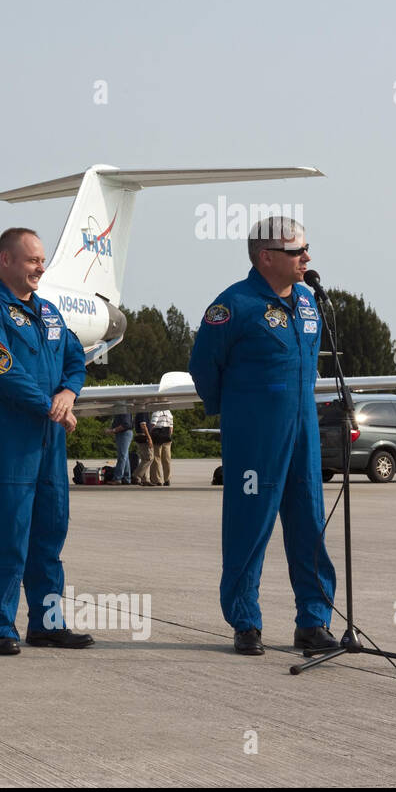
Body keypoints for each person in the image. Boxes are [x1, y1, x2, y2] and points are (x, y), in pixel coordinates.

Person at [188, 216, 338, 656]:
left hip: (303, 435)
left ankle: (314, 622)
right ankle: (245, 621)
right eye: (297, 252)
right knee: (249, 528)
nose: (306, 258)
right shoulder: (232, 305)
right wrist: (238, 412)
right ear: (266, 257)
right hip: (255, 435)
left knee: (310, 526)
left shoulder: (309, 302)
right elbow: (204, 367)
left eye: (307, 249)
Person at [0, 228, 94, 655]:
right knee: (9, 532)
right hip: (12, 439)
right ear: (5, 261)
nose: (41, 267)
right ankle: (0, 627)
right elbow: (2, 370)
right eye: (32, 260)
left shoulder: (51, 313)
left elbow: (76, 359)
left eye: (41, 261)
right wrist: (49, 405)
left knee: (49, 533)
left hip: (50, 439)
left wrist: (68, 393)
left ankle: (47, 623)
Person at [148, 408, 174, 486]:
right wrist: (169, 436)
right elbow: (171, 426)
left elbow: (153, 424)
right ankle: (167, 479)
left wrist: (149, 435)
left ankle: (157, 479)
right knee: (167, 459)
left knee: (156, 458)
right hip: (166, 436)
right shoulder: (169, 412)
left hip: (157, 436)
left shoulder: (156, 411)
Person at [106, 412, 132, 484]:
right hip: (122, 434)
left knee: (122, 456)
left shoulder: (124, 410)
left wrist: (112, 430)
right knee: (125, 457)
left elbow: (126, 424)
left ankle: (117, 478)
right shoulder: (121, 409)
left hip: (124, 434)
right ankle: (127, 478)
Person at [132, 411, 155, 485]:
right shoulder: (143, 412)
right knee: (149, 458)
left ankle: (145, 480)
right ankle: (136, 475)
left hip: (140, 436)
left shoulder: (140, 412)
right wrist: (149, 438)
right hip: (143, 436)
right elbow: (143, 426)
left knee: (144, 459)